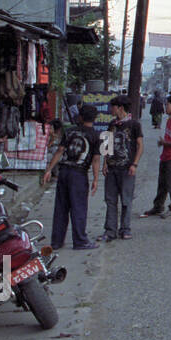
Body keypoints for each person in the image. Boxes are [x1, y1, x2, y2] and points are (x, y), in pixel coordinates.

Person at [42, 104, 101, 251]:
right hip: (79, 174)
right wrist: (95, 179)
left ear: (80, 117)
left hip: (64, 172)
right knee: (78, 208)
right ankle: (80, 240)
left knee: (61, 208)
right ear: (95, 118)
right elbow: (95, 159)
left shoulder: (69, 131)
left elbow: (60, 151)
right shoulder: (95, 135)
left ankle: (56, 241)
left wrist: (49, 169)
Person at [99, 96, 144, 242]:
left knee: (126, 199)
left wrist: (134, 164)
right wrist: (105, 163)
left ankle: (125, 228)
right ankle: (110, 230)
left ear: (120, 108)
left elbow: (140, 145)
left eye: (113, 107)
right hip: (112, 168)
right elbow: (106, 145)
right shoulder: (112, 124)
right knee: (110, 200)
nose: (110, 110)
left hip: (126, 168)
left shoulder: (134, 124)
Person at [141, 94, 171, 219]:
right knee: (162, 183)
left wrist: (165, 143)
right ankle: (158, 206)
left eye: (168, 105)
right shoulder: (169, 120)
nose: (165, 107)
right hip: (165, 156)